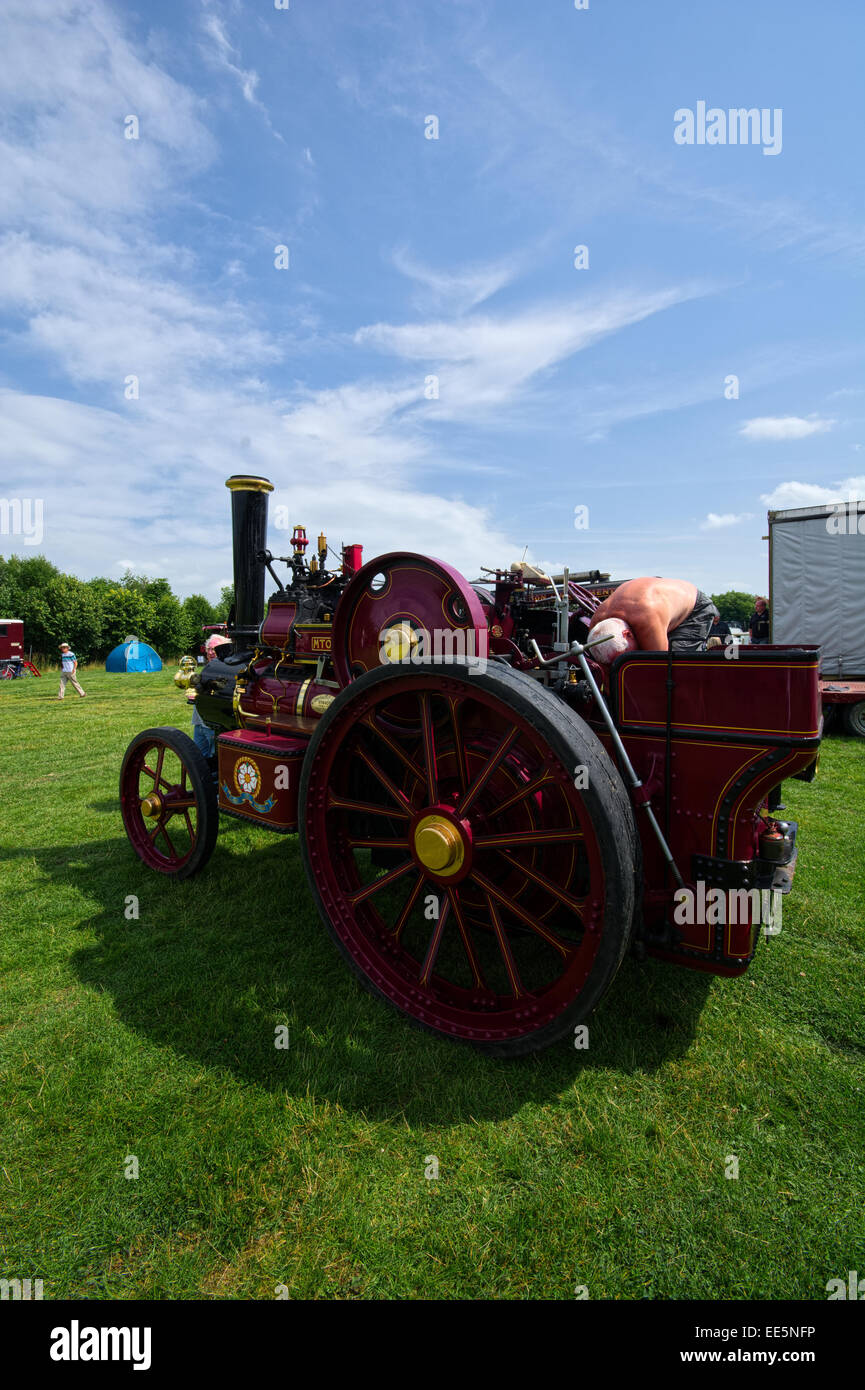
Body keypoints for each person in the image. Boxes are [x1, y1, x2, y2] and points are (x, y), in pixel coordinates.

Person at [587, 578, 719, 663]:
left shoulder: (646, 621)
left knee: (675, 667)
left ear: (628, 634)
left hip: (694, 608)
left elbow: (659, 667)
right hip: (658, 603)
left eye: (621, 657)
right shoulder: (596, 625)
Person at [189, 633, 231, 757]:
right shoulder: (207, 668)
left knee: (214, 758)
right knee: (198, 760)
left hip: (213, 725)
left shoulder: (225, 670)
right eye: (209, 649)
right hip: (198, 722)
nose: (211, 652)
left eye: (215, 649)